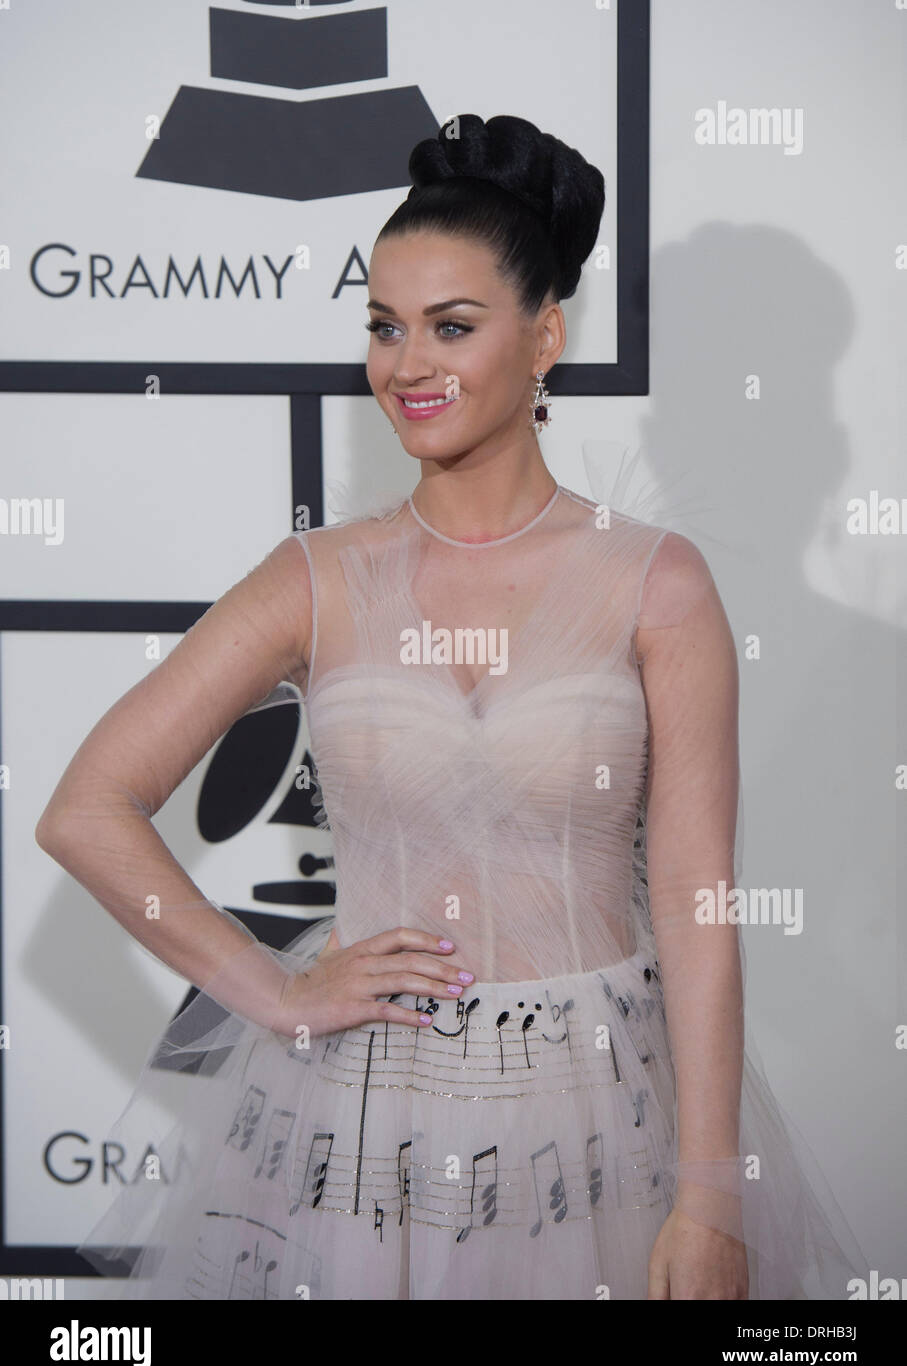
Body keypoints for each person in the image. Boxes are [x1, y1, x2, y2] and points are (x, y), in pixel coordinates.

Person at [36, 114, 867, 1301]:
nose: (404, 364)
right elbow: (84, 809)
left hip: (598, 1126)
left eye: (451, 326)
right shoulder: (316, 579)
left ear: (546, 338)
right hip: (356, 1129)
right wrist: (273, 989)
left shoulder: (656, 582)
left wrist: (708, 1191)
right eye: (382, 326)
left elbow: (696, 904)